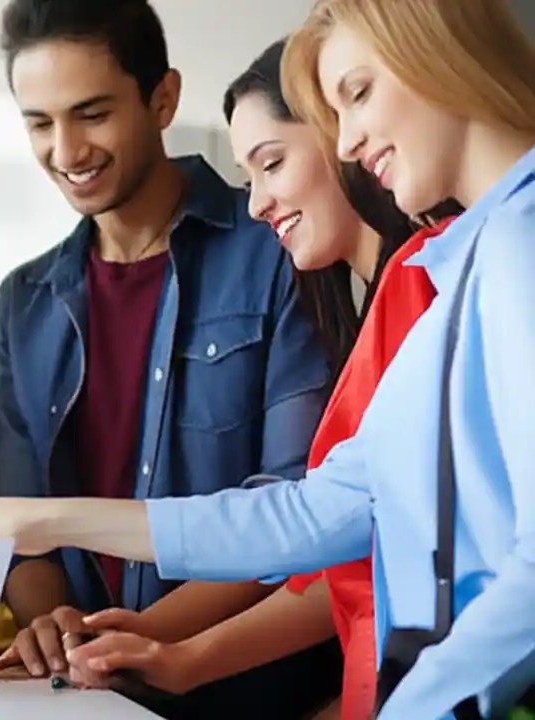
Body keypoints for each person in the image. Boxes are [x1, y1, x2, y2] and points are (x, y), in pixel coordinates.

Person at [0, 0, 535, 716]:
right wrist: (45, 522)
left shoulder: (516, 246)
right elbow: (316, 512)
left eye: (358, 93)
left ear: (436, 53)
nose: (351, 140)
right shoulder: (462, 269)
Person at [36, 39, 459, 720]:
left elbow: (301, 523)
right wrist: (179, 657)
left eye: (272, 164)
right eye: (247, 176)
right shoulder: (359, 311)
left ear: (341, 140)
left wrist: (44, 520)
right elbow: (339, 558)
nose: (258, 203)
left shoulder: (424, 284)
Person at [0, 1, 338, 716]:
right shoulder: (23, 301)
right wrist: (55, 626)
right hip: (86, 696)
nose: (66, 149)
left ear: (163, 98)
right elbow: (25, 530)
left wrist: (148, 641)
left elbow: (298, 509)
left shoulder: (279, 245)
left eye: (91, 113)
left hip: (255, 696)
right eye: (39, 122)